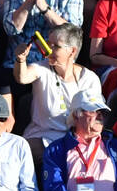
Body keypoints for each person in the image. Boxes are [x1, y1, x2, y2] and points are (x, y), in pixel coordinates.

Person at [13, 24, 101, 160]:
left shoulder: (89, 79)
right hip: (42, 136)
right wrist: (21, 60)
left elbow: (95, 120)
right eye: (48, 44)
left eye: (56, 46)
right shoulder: (41, 68)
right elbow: (22, 77)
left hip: (76, 140)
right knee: (21, 150)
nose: (49, 50)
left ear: (72, 51)